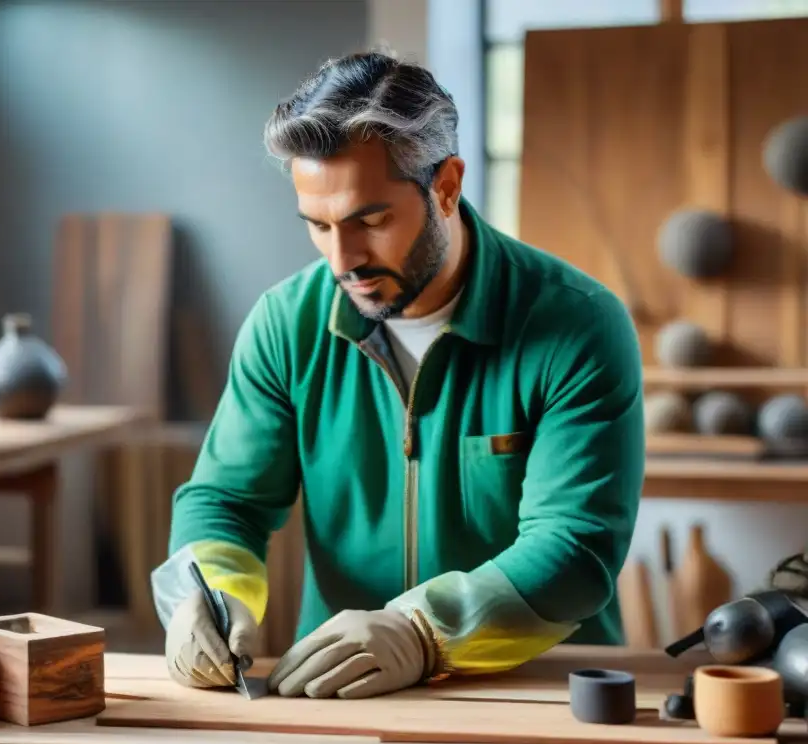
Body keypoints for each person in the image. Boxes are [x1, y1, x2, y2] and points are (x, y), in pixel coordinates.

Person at [150, 51, 645, 700]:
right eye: (318, 226)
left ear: (446, 185)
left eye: (371, 221)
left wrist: (421, 632)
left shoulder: (578, 326)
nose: (342, 259)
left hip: (544, 693)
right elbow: (228, 500)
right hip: (337, 689)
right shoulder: (285, 325)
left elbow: (574, 548)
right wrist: (207, 591)